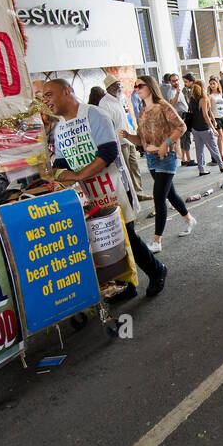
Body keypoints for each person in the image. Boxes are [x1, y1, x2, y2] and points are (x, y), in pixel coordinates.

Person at [37, 78, 167, 298]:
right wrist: (59, 177)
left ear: (67, 91)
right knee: (104, 241)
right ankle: (127, 285)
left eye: (49, 94)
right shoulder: (60, 129)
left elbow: (107, 153)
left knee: (126, 236)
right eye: (43, 97)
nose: (45, 100)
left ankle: (156, 271)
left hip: (113, 186)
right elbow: (60, 165)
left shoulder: (94, 114)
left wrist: (78, 175)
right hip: (89, 193)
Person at [131, 75, 195, 252]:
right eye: (135, 87)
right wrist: (128, 137)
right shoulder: (142, 111)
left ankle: (157, 241)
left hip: (167, 157)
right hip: (151, 157)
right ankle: (189, 219)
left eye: (140, 86)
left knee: (159, 197)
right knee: (170, 194)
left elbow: (181, 126)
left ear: (150, 87)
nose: (137, 89)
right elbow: (141, 139)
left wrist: (166, 143)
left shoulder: (163, 106)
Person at [99, 76, 149, 202]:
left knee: (135, 168)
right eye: (117, 84)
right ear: (110, 87)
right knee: (126, 171)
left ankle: (139, 193)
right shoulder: (105, 103)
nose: (120, 87)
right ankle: (132, 196)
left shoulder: (119, 99)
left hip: (129, 140)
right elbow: (108, 126)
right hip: (119, 143)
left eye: (120, 84)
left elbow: (125, 120)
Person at [186, 81, 223, 176]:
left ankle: (201, 169)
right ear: (202, 87)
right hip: (204, 128)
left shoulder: (192, 98)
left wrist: (213, 120)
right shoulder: (203, 99)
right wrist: (213, 129)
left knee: (199, 150)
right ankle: (221, 166)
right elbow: (205, 116)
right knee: (213, 148)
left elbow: (204, 113)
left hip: (195, 128)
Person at [163, 71, 195, 165]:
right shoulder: (171, 91)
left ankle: (184, 159)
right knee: (186, 137)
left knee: (185, 138)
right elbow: (172, 104)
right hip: (180, 115)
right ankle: (188, 159)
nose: (175, 82)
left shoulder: (180, 90)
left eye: (177, 80)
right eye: (173, 81)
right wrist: (177, 94)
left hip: (185, 114)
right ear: (170, 82)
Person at [208, 77, 223, 161]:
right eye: (211, 84)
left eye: (214, 83)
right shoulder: (210, 96)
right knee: (220, 136)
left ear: (217, 84)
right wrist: (213, 120)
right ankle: (220, 155)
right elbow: (209, 109)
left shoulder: (220, 94)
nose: (212, 85)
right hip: (216, 118)